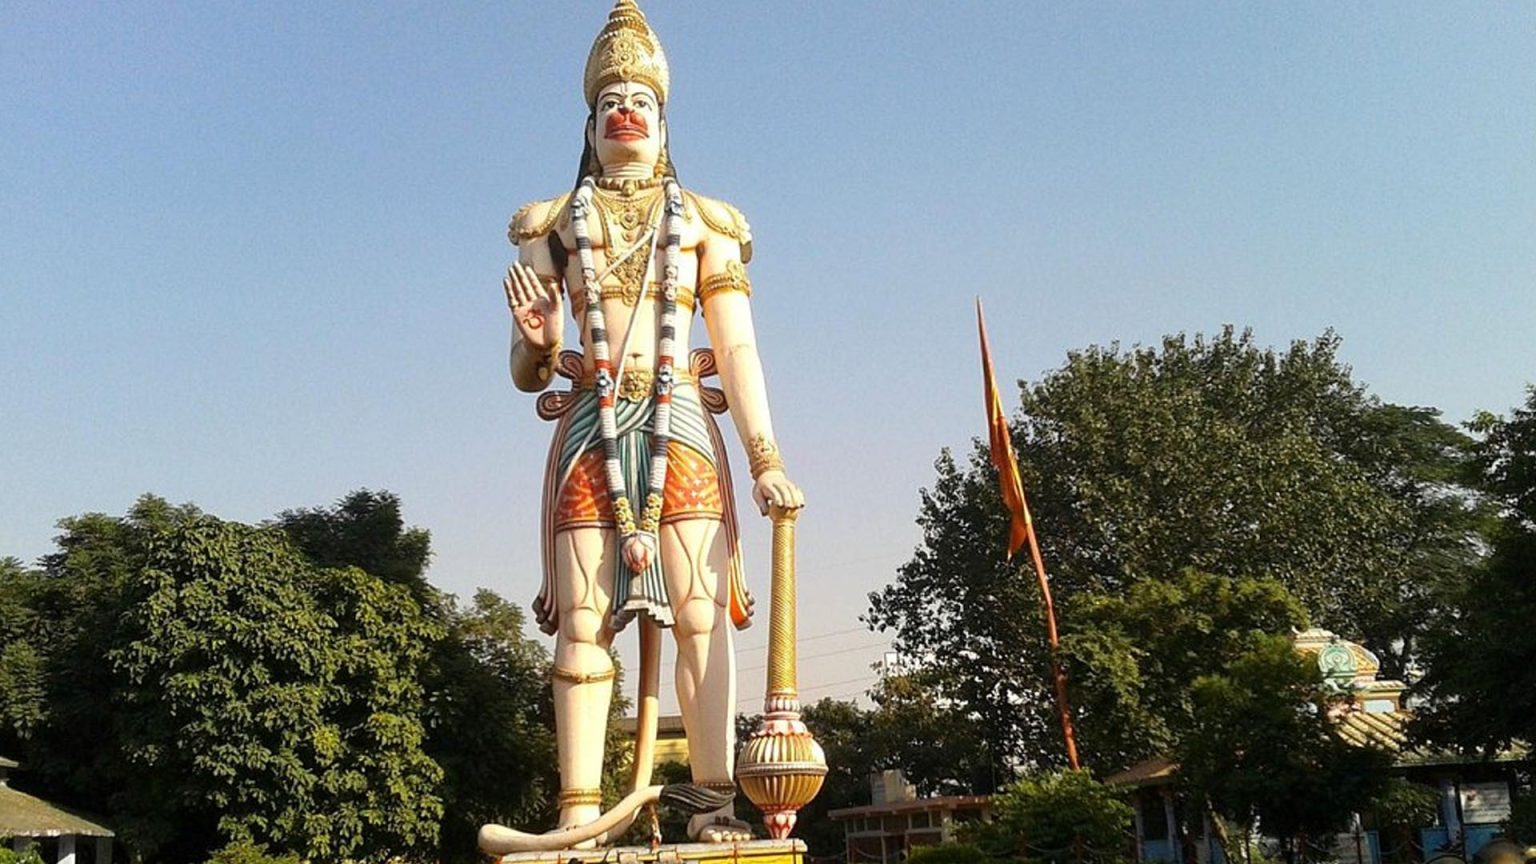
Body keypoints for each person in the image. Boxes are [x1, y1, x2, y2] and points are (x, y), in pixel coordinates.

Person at [501, 0, 802, 844]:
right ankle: (581, 814)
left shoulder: (707, 223)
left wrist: (766, 458)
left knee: (701, 616)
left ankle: (713, 805)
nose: (625, 111)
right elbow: (526, 373)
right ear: (589, 126)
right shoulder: (551, 226)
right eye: (610, 103)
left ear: (664, 125)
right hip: (591, 429)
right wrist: (540, 343)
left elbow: (737, 349)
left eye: (641, 101)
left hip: (681, 423)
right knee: (583, 625)